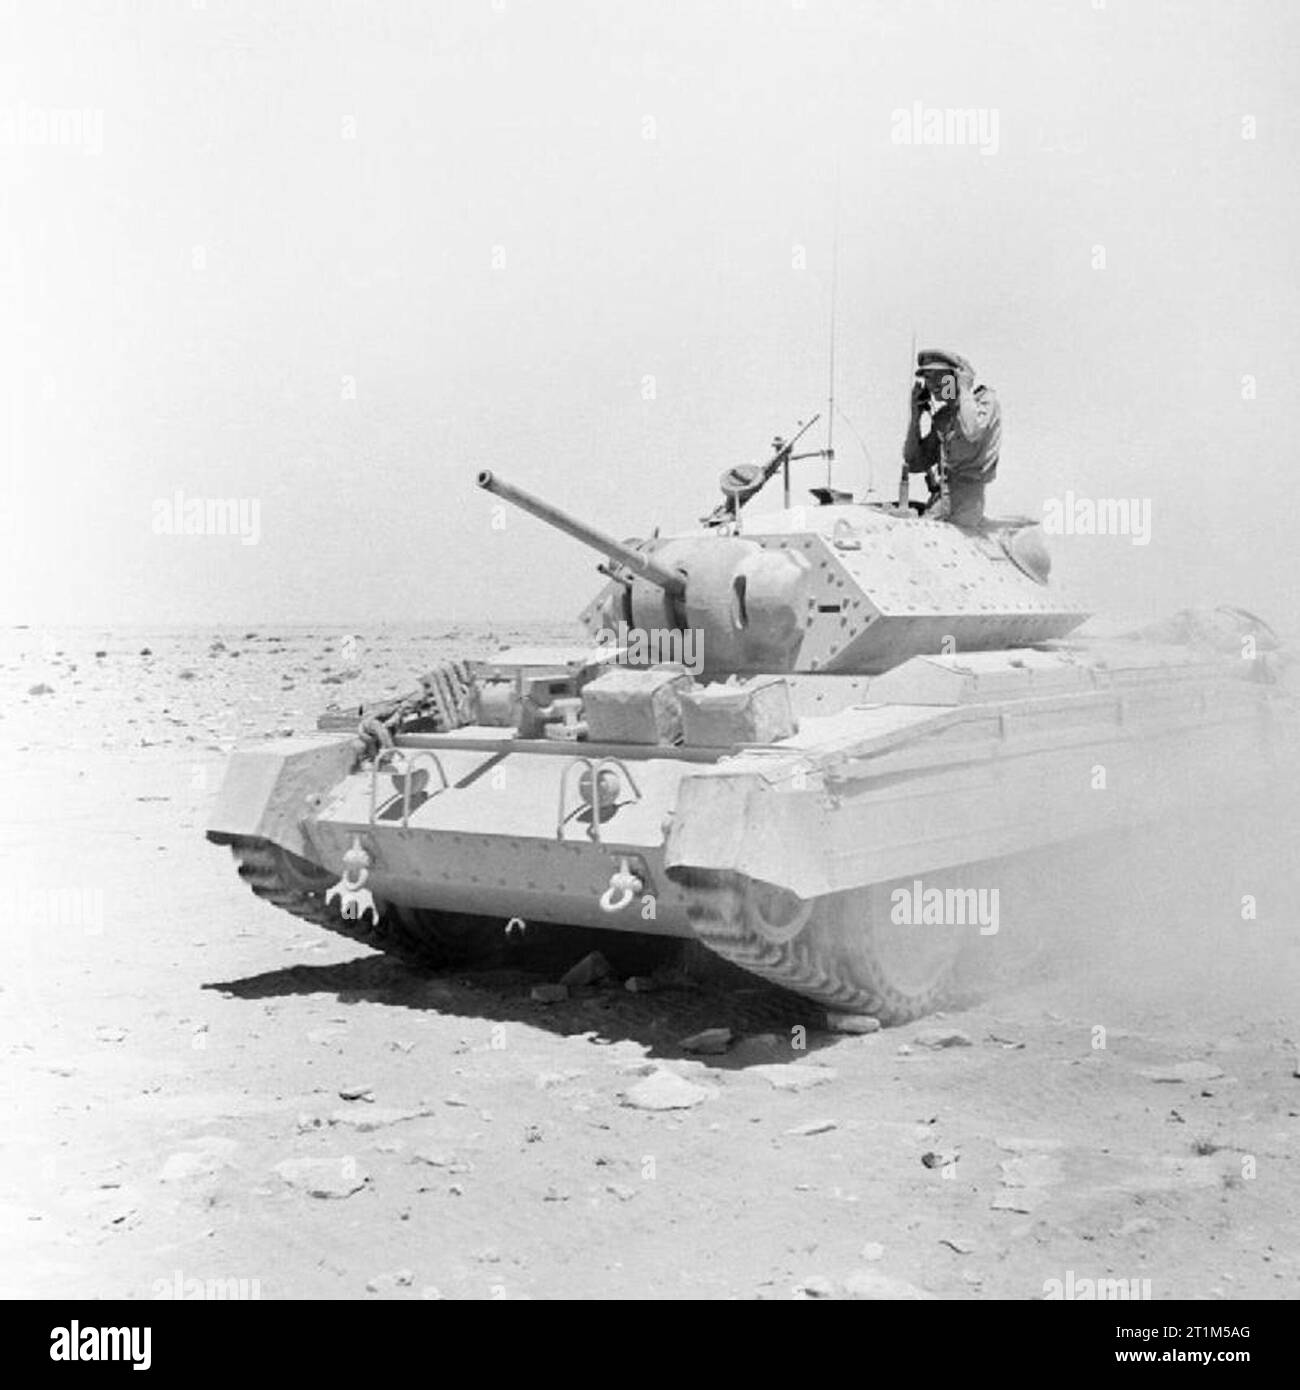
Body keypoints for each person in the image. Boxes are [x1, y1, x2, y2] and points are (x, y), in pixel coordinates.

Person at [903, 349, 1001, 527]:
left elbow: (972, 431)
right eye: (928, 378)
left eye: (939, 377)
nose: (933, 385)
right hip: (941, 501)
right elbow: (915, 462)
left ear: (957, 377)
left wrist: (963, 389)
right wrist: (915, 417)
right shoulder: (943, 417)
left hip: (966, 504)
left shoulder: (985, 401)